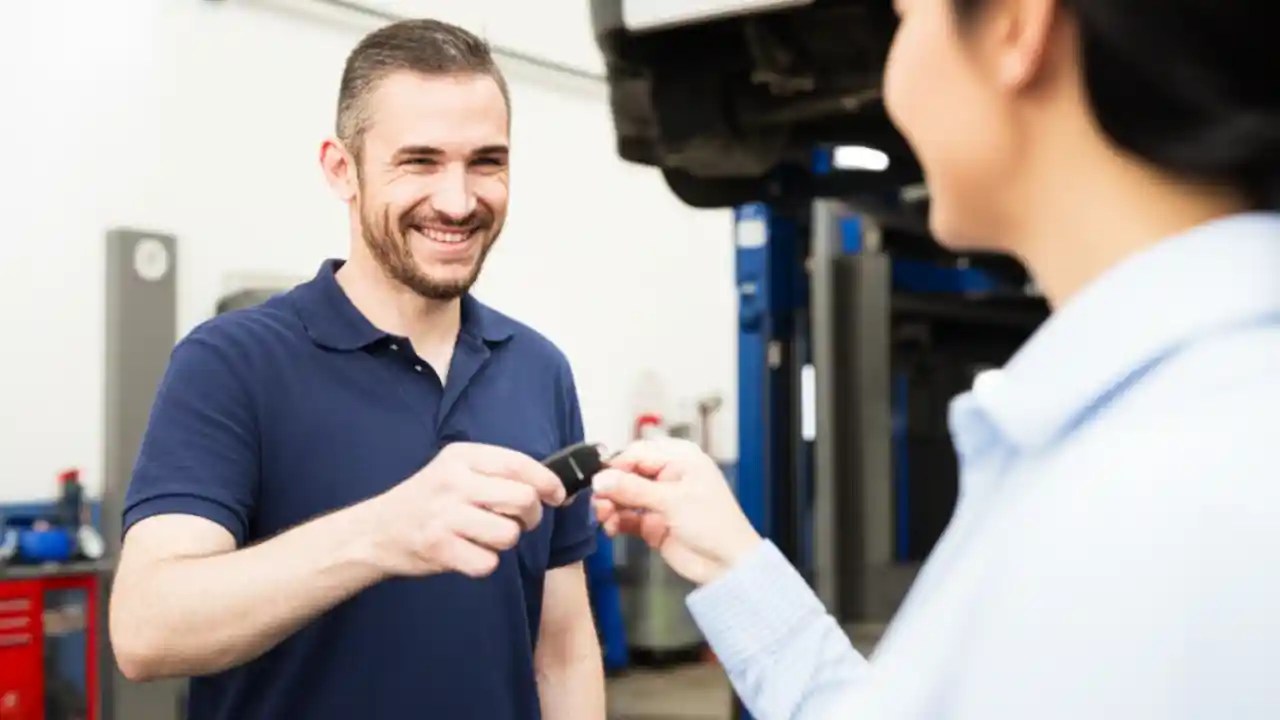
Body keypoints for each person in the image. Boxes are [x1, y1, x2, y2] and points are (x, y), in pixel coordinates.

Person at [592, 0, 1280, 718]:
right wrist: (732, 561)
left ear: (1017, 23)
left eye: (905, 16)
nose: (892, 84)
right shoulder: (1189, 434)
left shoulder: (1149, 497)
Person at [108, 19, 605, 720]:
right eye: (420, 161)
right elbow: (146, 630)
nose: (459, 201)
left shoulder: (538, 369)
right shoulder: (231, 363)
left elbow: (563, 649)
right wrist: (383, 533)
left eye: (486, 162)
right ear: (341, 169)